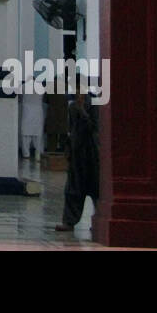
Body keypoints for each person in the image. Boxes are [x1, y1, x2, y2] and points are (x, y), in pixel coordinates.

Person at [56, 91, 100, 232]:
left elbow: (93, 127)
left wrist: (82, 111)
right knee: (72, 189)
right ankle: (69, 221)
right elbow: (72, 129)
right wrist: (69, 147)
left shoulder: (94, 105)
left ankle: (98, 220)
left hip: (92, 153)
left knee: (96, 190)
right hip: (77, 154)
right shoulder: (72, 106)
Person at [19, 79, 44, 159]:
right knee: (38, 134)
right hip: (38, 111)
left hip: (27, 111)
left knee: (25, 134)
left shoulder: (23, 86)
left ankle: (26, 155)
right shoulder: (41, 87)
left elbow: (19, 97)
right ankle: (38, 154)